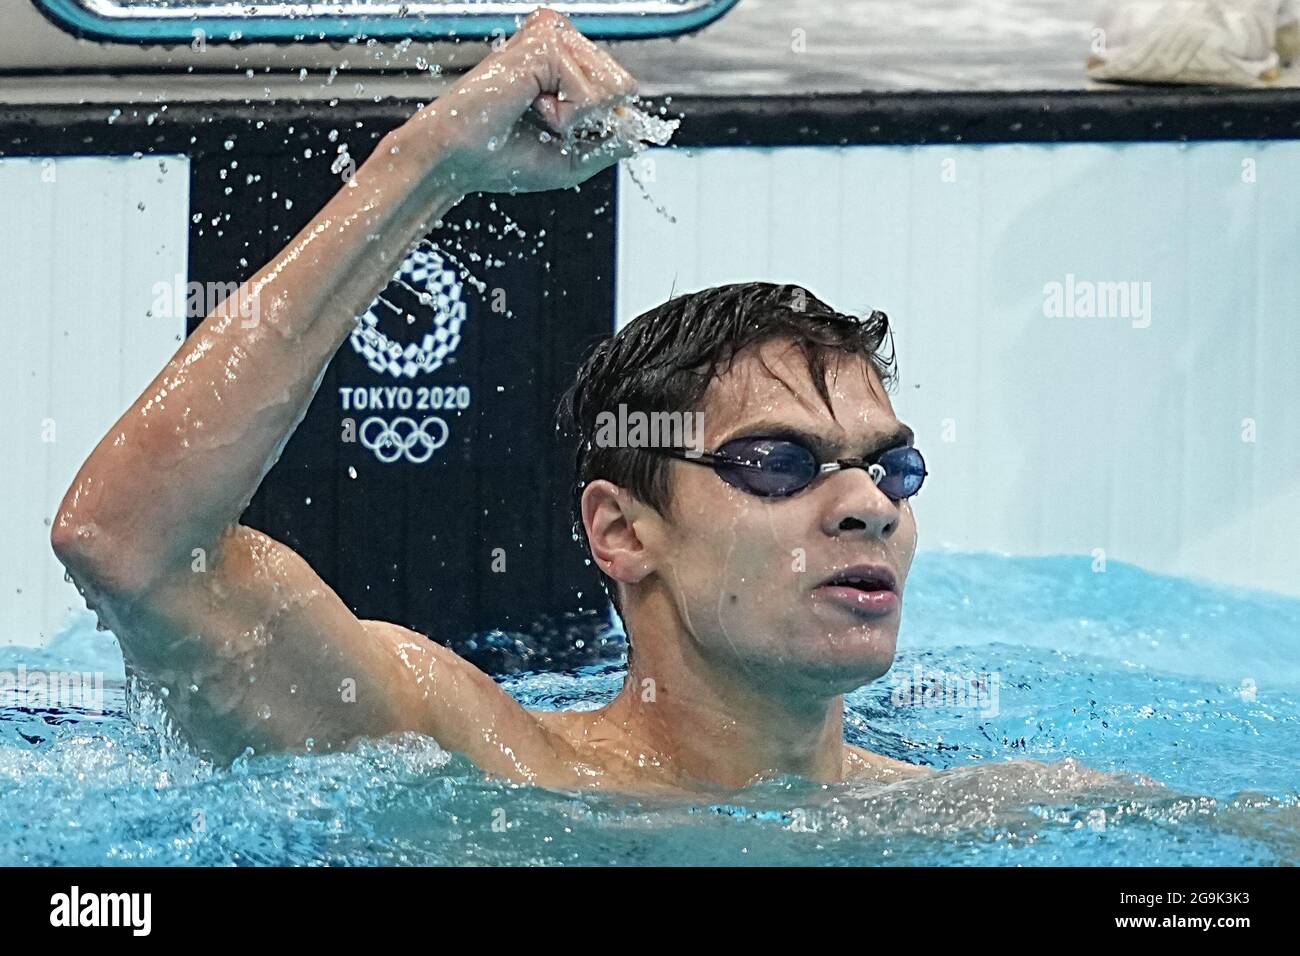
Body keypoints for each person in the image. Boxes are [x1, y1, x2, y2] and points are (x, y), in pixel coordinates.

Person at [49, 7, 1091, 795]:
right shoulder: (488, 763)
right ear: (621, 529)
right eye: (778, 462)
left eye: (889, 465)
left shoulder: (987, 811)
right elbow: (129, 544)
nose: (867, 501)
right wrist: (426, 167)